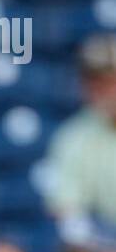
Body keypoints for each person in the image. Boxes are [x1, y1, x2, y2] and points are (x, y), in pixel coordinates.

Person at [44, 34, 116, 226]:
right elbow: (67, 215)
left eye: (111, 81)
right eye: (95, 82)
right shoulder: (74, 137)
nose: (105, 91)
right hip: (104, 248)